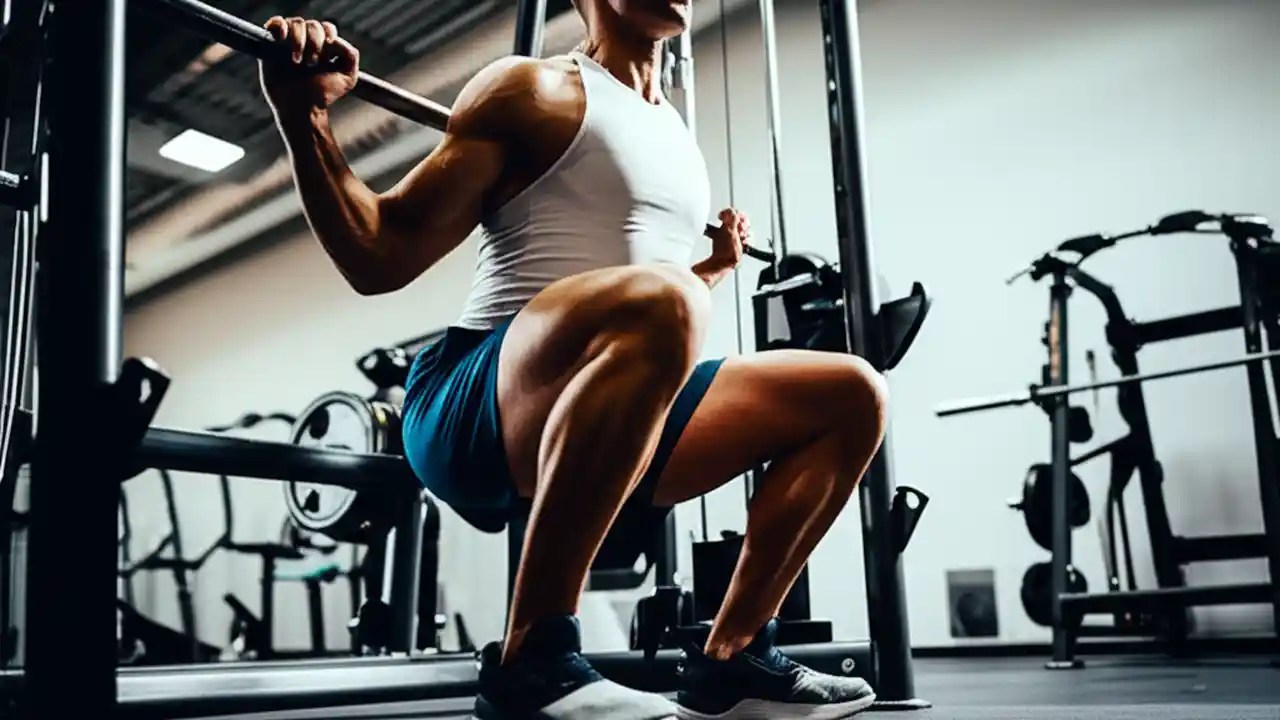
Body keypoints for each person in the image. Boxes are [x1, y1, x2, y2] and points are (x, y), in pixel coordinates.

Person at [260, 1, 888, 717]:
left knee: (853, 393)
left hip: (612, 403)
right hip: (474, 402)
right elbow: (380, 254)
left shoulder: (673, 129)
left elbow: (636, 287)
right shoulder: (534, 90)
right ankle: (533, 659)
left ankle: (732, 660)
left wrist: (708, 270)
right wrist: (303, 117)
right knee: (670, 301)